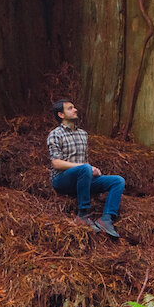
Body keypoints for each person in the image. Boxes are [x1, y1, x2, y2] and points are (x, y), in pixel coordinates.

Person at [47, 99, 124, 240]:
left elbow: (84, 161)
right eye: (70, 108)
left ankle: (106, 219)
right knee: (85, 169)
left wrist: (91, 169)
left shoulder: (83, 134)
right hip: (62, 180)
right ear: (61, 114)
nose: (75, 109)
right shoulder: (55, 134)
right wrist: (85, 168)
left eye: (74, 107)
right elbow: (56, 163)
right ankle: (83, 214)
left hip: (82, 178)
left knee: (118, 181)